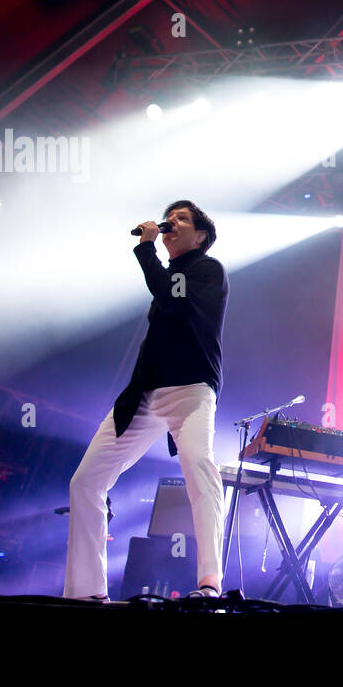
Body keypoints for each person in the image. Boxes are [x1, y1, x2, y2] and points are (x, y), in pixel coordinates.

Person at [64, 200, 228, 600]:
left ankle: (209, 584)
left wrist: (146, 248)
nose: (171, 222)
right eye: (168, 217)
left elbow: (171, 296)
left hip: (189, 389)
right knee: (85, 482)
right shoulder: (169, 274)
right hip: (144, 393)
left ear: (201, 235)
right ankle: (87, 592)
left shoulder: (207, 270)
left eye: (182, 219)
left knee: (198, 465)